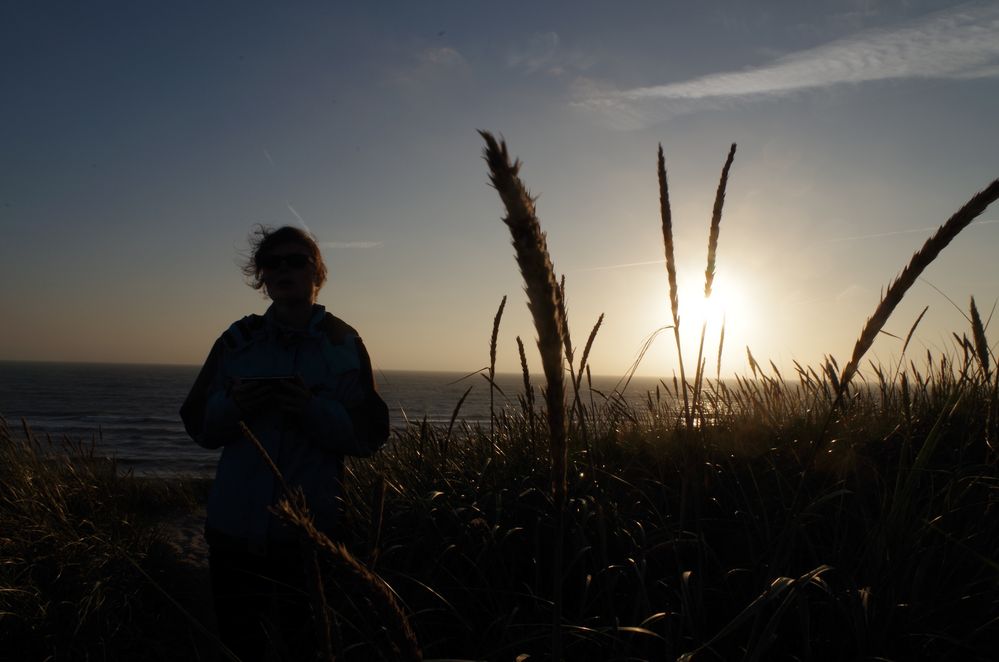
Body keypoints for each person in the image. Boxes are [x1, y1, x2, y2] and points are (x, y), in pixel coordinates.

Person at [180, 225, 389, 661]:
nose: (283, 269)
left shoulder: (344, 343)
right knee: (242, 648)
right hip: (233, 532)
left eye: (296, 260)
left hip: (311, 535)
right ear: (262, 277)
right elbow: (199, 424)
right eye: (272, 263)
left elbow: (369, 435)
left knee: (308, 647)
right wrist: (234, 404)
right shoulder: (237, 341)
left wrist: (310, 409)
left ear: (317, 273)